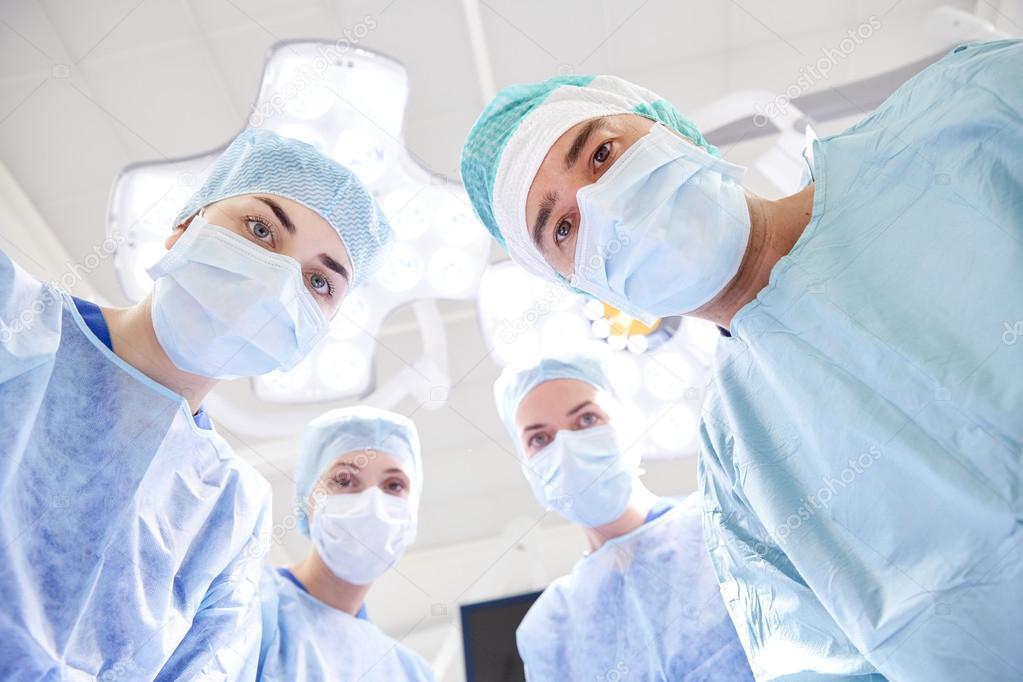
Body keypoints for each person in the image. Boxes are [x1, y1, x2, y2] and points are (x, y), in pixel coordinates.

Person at [461, 40, 1022, 681]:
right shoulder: (742, 481)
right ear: (585, 288)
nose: (603, 206)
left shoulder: (972, 112)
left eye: (602, 154)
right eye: (563, 228)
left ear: (665, 124)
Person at [0, 128, 393, 680]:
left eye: (319, 282)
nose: (279, 282)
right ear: (184, 226)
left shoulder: (231, 509)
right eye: (260, 229)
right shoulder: (16, 319)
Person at [494, 347, 753, 681]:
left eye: (587, 419)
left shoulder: (723, 526)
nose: (567, 449)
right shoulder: (550, 629)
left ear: (628, 424)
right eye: (540, 438)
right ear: (527, 467)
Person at [257, 406, 435, 681]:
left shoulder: (410, 673)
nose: (372, 504)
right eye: (344, 479)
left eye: (394, 485)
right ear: (308, 500)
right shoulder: (249, 606)